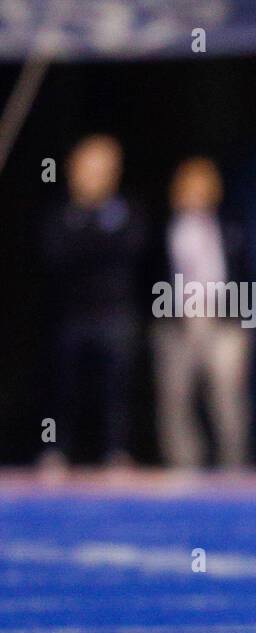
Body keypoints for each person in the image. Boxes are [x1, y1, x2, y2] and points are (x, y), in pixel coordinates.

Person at [40, 134, 147, 466]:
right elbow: (55, 254)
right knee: (63, 390)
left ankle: (117, 451)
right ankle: (54, 449)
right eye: (88, 168)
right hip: (71, 316)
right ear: (73, 170)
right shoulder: (61, 213)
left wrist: (88, 243)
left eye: (102, 168)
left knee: (116, 389)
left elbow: (131, 251)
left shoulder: (126, 211)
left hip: (115, 314)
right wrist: (97, 241)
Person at [153, 157, 254, 469]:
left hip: (223, 321)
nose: (196, 192)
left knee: (228, 397)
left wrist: (245, 324)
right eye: (189, 185)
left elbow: (247, 275)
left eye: (203, 185)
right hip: (178, 322)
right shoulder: (164, 231)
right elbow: (150, 278)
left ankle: (234, 464)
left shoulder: (231, 228)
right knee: (176, 398)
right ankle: (184, 466)